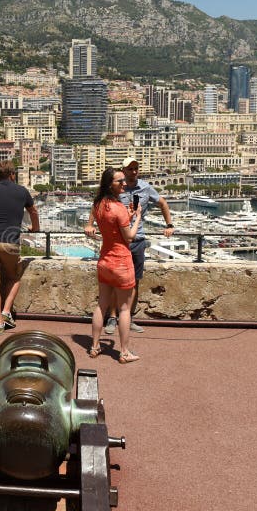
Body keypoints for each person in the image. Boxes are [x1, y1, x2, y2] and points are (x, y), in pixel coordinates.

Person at [85, 156, 175, 334]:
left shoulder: (145, 188)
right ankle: (112, 318)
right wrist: (90, 224)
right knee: (113, 284)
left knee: (134, 283)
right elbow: (98, 205)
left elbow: (163, 203)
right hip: (118, 244)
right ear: (123, 171)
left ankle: (127, 317)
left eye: (136, 169)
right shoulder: (118, 188)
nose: (134, 172)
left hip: (137, 241)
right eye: (130, 169)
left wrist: (169, 224)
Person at [88, 168, 142, 364]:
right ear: (110, 184)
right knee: (124, 309)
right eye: (120, 181)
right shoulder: (118, 208)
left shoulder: (99, 204)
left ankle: (94, 346)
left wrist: (126, 215)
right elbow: (129, 237)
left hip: (104, 261)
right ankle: (124, 352)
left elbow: (108, 225)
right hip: (121, 262)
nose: (124, 184)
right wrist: (136, 218)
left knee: (101, 305)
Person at [0, 160, 40, 334]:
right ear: (12, 175)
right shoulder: (22, 191)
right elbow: (33, 211)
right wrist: (35, 228)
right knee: (14, 277)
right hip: (10, 241)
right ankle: (6, 311)